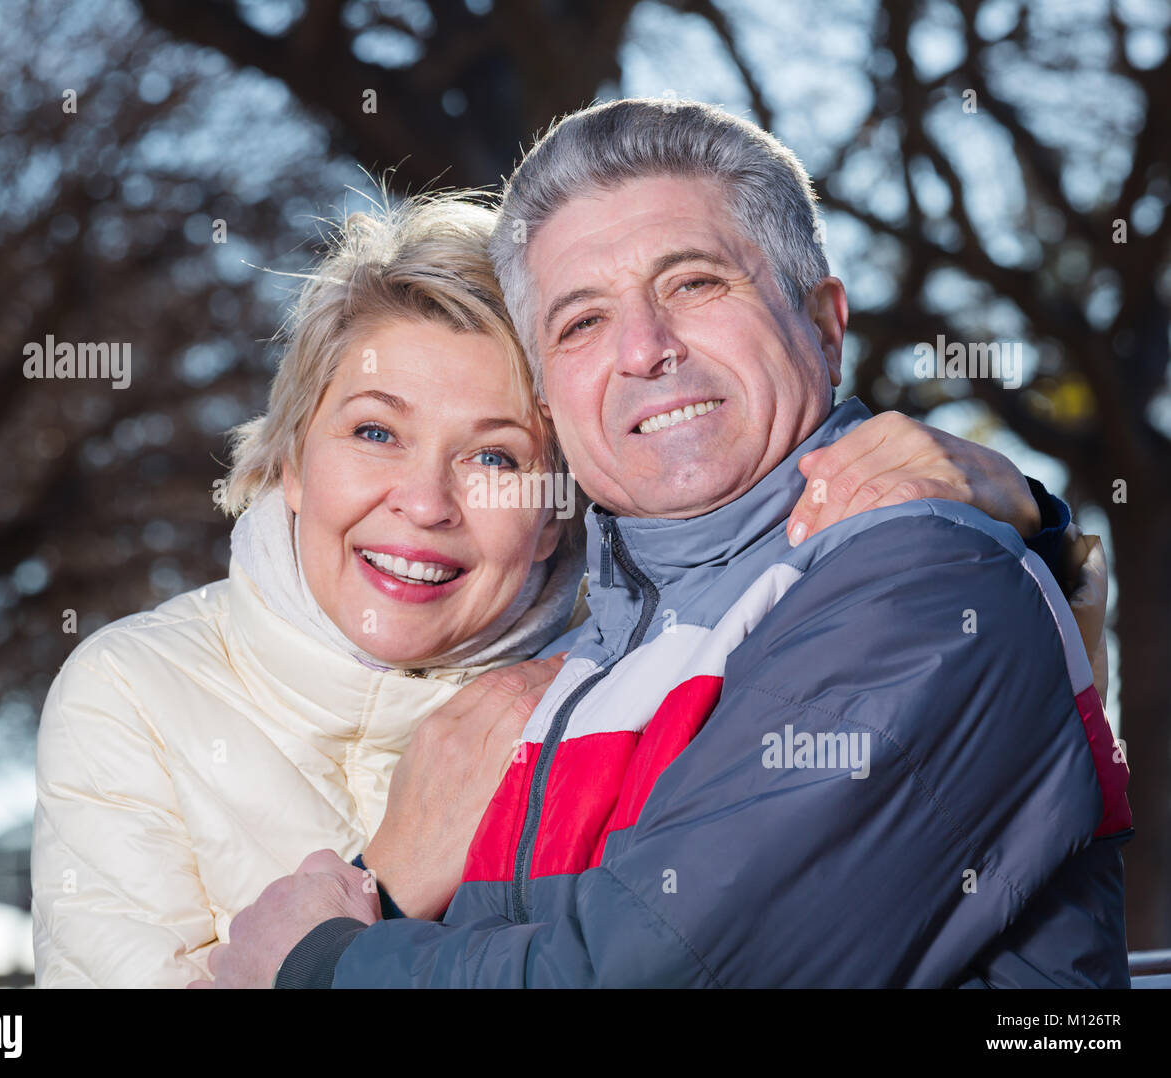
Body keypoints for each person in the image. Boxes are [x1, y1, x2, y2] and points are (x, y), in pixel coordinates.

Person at [200, 99, 1130, 990]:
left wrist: (321, 968)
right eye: (583, 321)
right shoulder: (564, 670)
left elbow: (659, 974)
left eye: (694, 281)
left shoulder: (920, 580)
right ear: (553, 402)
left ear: (823, 325)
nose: (645, 348)